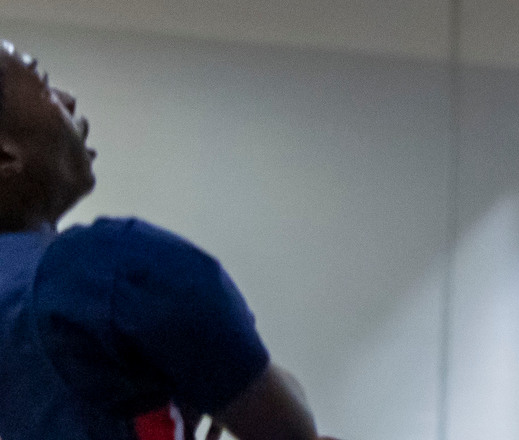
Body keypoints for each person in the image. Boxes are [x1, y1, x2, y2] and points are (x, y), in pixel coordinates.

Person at [0, 40, 330, 440]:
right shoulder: (113, 271)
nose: (68, 101)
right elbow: (291, 431)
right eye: (45, 88)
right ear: (5, 158)